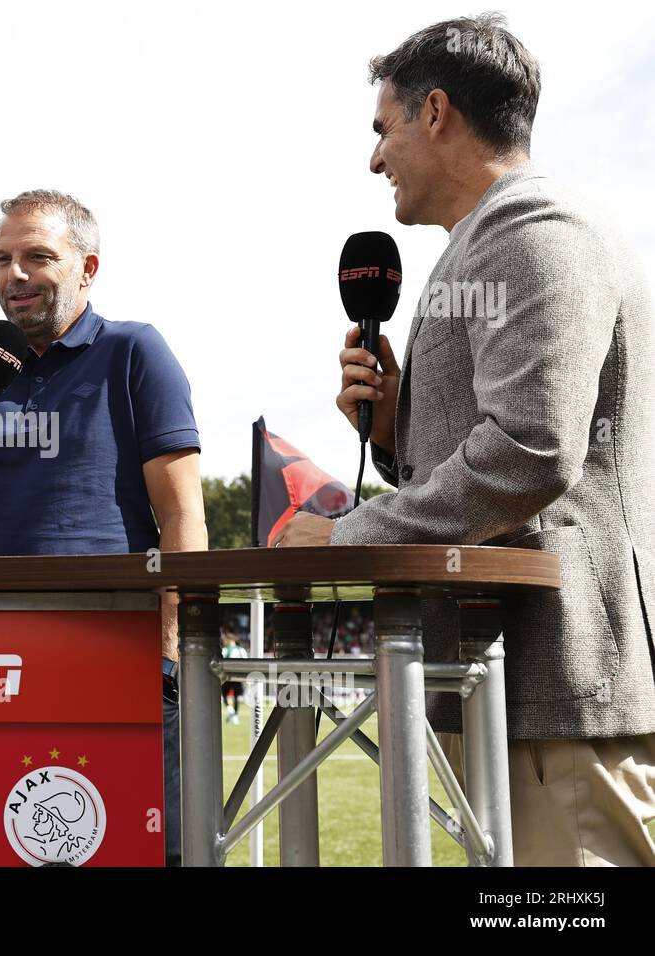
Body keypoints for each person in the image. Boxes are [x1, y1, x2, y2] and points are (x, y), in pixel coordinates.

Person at [274, 15, 655, 865]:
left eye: (383, 129)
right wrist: (395, 429)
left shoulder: (534, 230)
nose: (375, 159)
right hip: (507, 678)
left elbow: (530, 451)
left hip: (556, 679)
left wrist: (347, 536)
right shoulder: (486, 239)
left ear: (436, 112)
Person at [0, 189, 207, 866]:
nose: (15, 274)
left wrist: (170, 647)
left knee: (142, 848)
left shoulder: (135, 351)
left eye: (37, 257)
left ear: (87, 267)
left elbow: (182, 513)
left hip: (116, 654)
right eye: (1, 258)